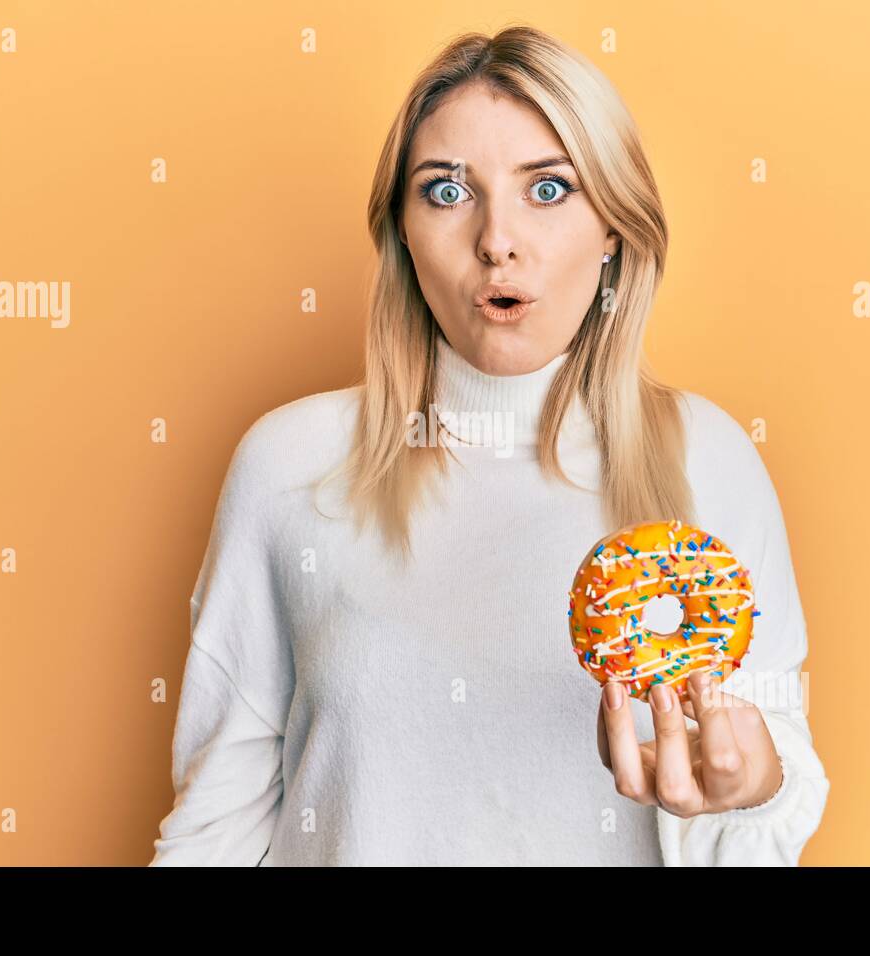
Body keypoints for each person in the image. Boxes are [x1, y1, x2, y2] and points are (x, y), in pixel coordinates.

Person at [150, 24, 829, 866]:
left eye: (548, 191)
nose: (496, 240)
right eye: (446, 192)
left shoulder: (707, 460)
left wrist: (753, 785)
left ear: (614, 226)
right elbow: (217, 825)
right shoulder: (291, 466)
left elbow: (774, 800)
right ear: (400, 229)